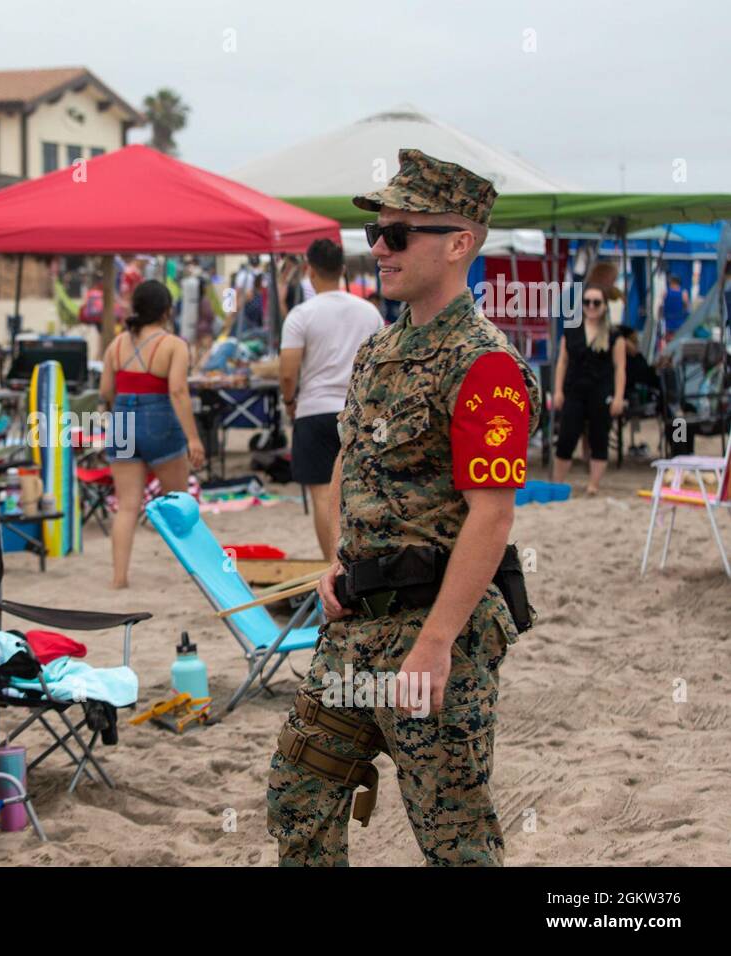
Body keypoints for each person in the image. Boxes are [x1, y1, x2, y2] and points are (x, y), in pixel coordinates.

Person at [268, 149, 539, 867]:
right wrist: (337, 566)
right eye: (376, 234)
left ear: (459, 243)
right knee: (298, 797)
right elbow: (357, 475)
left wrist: (437, 643)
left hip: (431, 635)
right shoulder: (379, 351)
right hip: (355, 630)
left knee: (454, 839)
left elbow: (492, 515)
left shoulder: (485, 366)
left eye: (400, 234)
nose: (381, 249)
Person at [279, 238, 383, 560]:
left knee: (323, 495)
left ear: (309, 270)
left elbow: (287, 371)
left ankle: (332, 565)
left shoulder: (301, 314)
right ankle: (359, 561)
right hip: (357, 411)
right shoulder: (369, 312)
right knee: (360, 493)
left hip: (313, 410)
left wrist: (288, 401)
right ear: (342, 270)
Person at [99, 279, 205, 589]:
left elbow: (106, 390)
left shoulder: (115, 345)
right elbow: (178, 391)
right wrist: (193, 438)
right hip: (158, 418)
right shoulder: (173, 344)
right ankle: (194, 571)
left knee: (127, 504)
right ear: (167, 311)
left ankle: (119, 578)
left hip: (121, 418)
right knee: (178, 501)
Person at [551, 284, 627, 495]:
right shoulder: (571, 330)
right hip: (574, 390)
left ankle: (593, 485)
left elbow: (620, 368)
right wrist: (558, 390)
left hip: (601, 391)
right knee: (566, 436)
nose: (591, 306)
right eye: (587, 302)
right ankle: (558, 484)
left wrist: (619, 397)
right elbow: (562, 362)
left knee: (599, 437)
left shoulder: (614, 335)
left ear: (604, 306)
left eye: (596, 302)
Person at [661, 273, 689, 341]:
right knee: (679, 340)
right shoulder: (684, 293)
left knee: (669, 341)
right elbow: (686, 307)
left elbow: (661, 307)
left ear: (672, 282)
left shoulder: (665, 293)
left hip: (669, 322)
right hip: (679, 322)